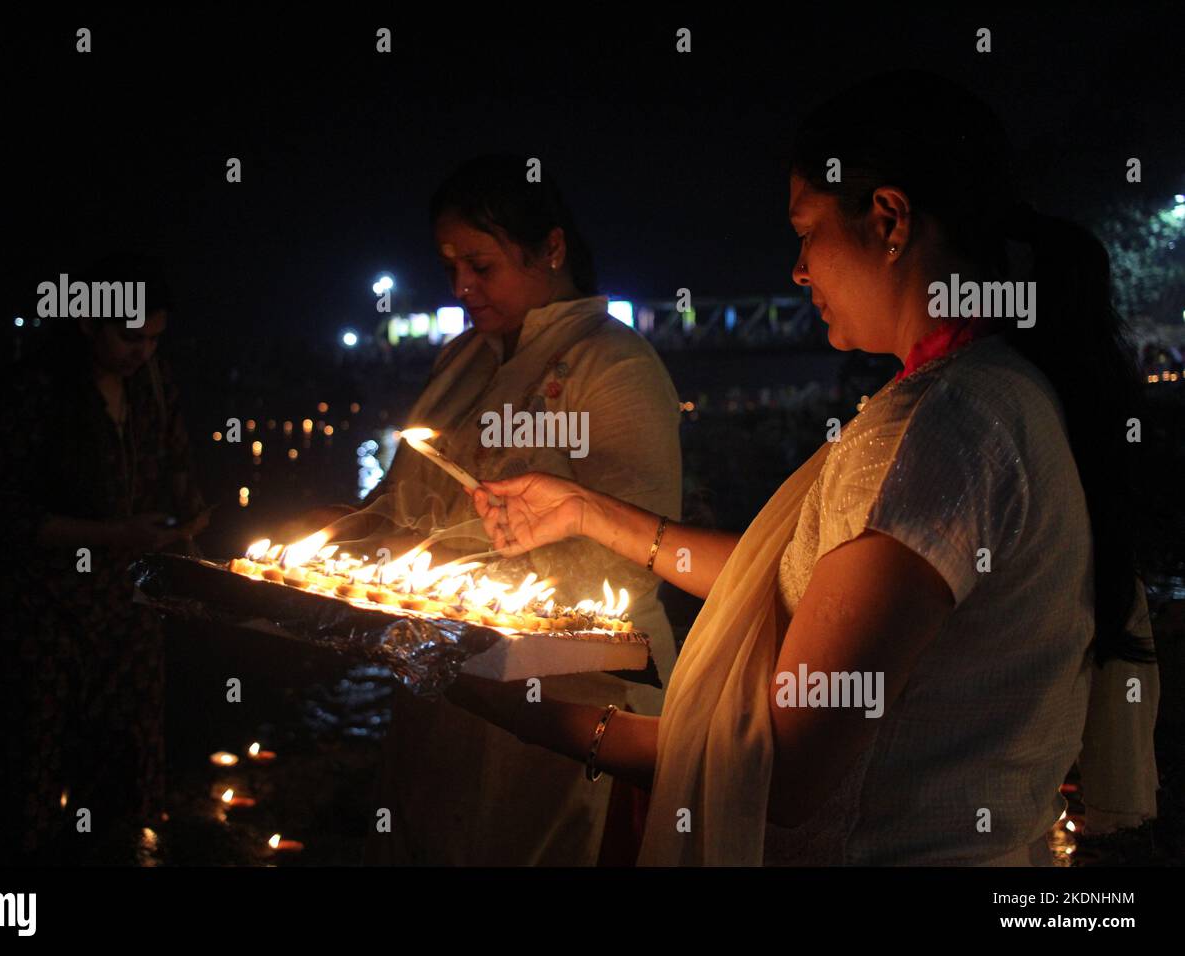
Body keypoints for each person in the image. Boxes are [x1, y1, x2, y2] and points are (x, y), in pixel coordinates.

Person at [450, 72, 1160, 865]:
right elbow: (802, 582)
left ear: (888, 219)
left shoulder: (943, 430)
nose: (796, 269)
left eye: (807, 230)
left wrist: (513, 703)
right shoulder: (1003, 389)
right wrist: (587, 511)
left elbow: (784, 769)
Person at [352, 154, 683, 865]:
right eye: (450, 270)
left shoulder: (613, 365)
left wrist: (468, 569)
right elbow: (401, 501)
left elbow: (635, 559)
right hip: (449, 680)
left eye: (481, 265)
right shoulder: (463, 359)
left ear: (552, 250)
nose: (463, 288)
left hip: (570, 701)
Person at [0, 254, 209, 861]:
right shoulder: (34, 391)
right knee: (32, 758)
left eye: (153, 338)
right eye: (129, 337)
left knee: (127, 754)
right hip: (41, 605)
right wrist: (112, 532)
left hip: (130, 602)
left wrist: (188, 522)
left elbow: (177, 466)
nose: (142, 351)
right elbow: (1, 515)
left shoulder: (152, 381)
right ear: (87, 324)